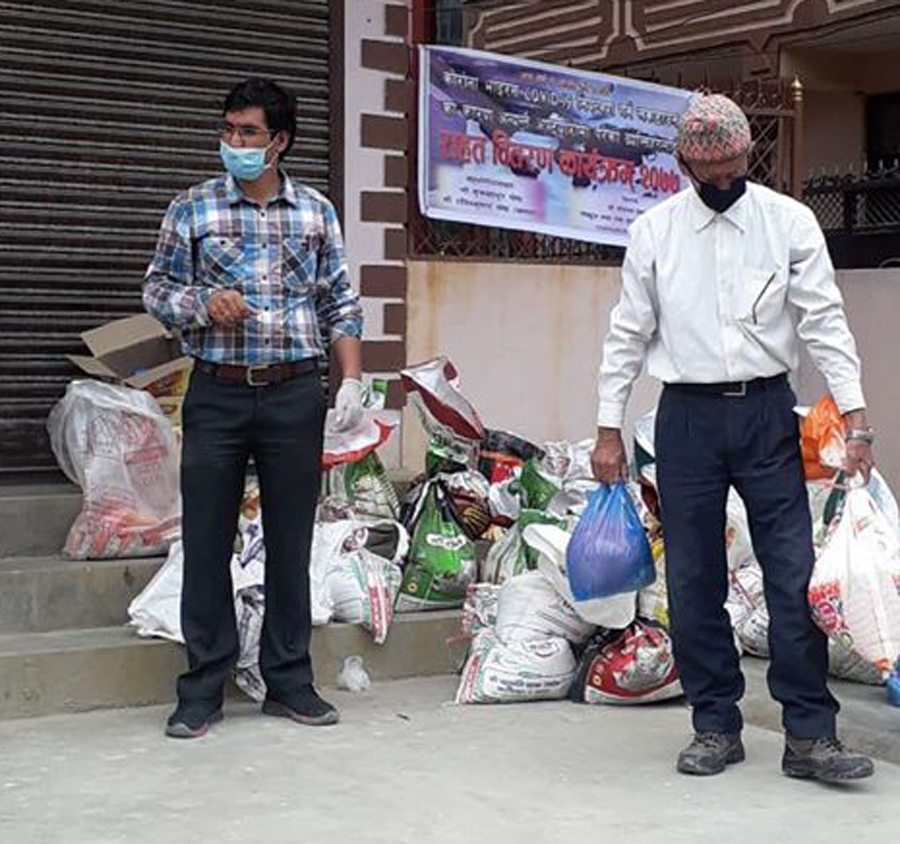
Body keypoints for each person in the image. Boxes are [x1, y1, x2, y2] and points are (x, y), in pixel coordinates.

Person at [592, 93, 876, 782]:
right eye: (707, 165)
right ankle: (715, 724)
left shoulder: (789, 222)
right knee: (692, 579)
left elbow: (824, 322)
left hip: (766, 414)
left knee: (791, 573)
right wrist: (607, 428)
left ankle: (810, 735)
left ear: (749, 153)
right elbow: (628, 331)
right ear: (685, 160)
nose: (722, 177)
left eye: (733, 162)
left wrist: (857, 417)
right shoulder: (655, 231)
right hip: (685, 417)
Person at [144, 78, 364, 739]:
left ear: (280, 142)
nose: (234, 143)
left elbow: (340, 303)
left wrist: (350, 380)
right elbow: (157, 289)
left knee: (292, 540)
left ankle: (289, 682)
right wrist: (200, 304)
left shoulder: (316, 212)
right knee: (208, 539)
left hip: (295, 391)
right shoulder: (193, 208)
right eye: (228, 130)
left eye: (248, 133)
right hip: (217, 389)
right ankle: (201, 689)